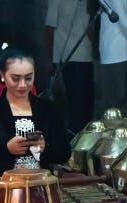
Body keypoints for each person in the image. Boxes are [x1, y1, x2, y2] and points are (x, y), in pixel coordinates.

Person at [0, 47, 71, 203]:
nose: (23, 85)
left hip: (42, 191)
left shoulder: (47, 109)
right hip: (5, 192)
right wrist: (6, 148)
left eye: (28, 78)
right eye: (15, 78)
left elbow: (64, 153)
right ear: (2, 75)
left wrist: (45, 148)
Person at [44, 0, 94, 134]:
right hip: (68, 57)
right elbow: (49, 28)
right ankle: (73, 140)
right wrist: (49, 60)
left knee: (86, 104)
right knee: (74, 105)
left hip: (86, 56)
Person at [95, 0, 127, 117]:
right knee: (118, 103)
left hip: (117, 52)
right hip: (119, 52)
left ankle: (120, 132)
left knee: (117, 104)